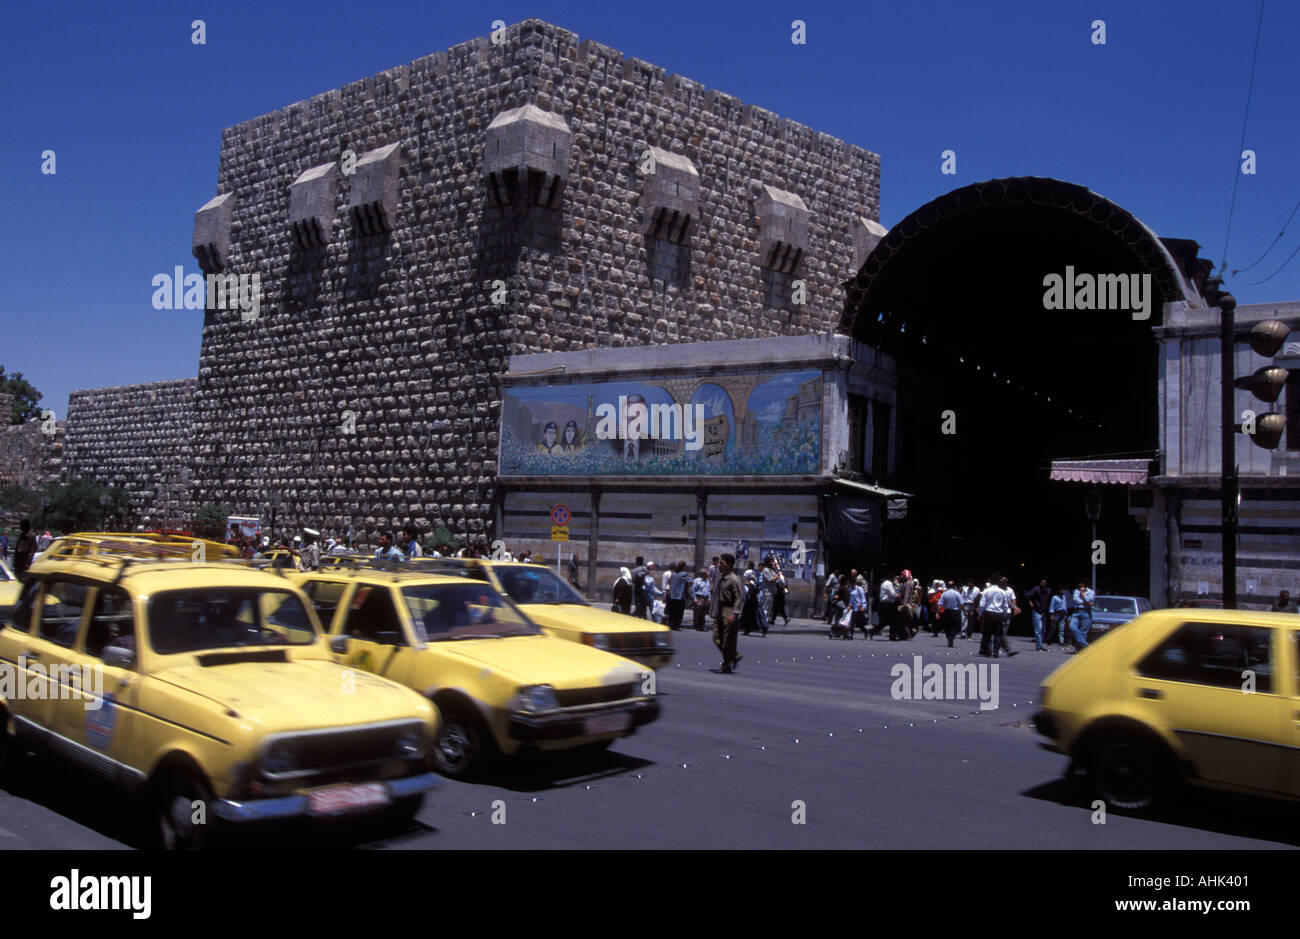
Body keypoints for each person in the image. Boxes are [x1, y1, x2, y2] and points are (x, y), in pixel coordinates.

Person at [713, 553, 744, 672]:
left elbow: (739, 597)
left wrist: (734, 613)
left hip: (729, 610)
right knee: (716, 637)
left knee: (727, 640)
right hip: (720, 609)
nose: (719, 565)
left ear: (729, 564)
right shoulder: (721, 577)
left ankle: (727, 663)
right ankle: (733, 656)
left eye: (722, 563)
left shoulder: (734, 579)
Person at [1026, 578, 1052, 650]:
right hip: (1037, 611)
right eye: (1042, 582)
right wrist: (1030, 602)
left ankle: (1041, 645)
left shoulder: (1048, 590)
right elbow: (1027, 594)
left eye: (1045, 582)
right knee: (1038, 629)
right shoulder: (1036, 589)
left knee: (1043, 629)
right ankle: (1038, 646)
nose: (1043, 583)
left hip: (1044, 611)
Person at [1069, 580, 1095, 648]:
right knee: (1072, 627)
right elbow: (1075, 599)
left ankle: (1079, 649)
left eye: (1082, 584)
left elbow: (1090, 601)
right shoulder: (1076, 591)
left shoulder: (1091, 592)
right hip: (1076, 611)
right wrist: (1084, 602)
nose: (1080, 586)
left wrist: (1083, 594)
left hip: (1085, 612)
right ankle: (1085, 644)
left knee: (1083, 631)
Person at [740, 569, 766, 637]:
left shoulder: (752, 583)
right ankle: (747, 630)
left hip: (753, 602)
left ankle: (763, 628)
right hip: (750, 602)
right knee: (747, 617)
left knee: (757, 617)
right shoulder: (751, 583)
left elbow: (752, 592)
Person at [938, 580, 963, 647]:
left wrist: (938, 612)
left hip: (947, 611)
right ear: (954, 586)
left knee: (947, 626)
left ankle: (949, 636)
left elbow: (940, 604)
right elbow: (961, 604)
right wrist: (961, 611)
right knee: (957, 625)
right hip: (955, 611)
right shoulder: (957, 593)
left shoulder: (944, 594)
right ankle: (952, 636)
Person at [667, 561, 691, 630]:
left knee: (672, 611)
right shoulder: (685, 574)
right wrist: (686, 586)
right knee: (679, 612)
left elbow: (670, 583)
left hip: (673, 595)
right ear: (684, 567)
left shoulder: (673, 574)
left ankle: (671, 624)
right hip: (680, 596)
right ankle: (677, 625)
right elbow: (691, 582)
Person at [878, 571, 899, 639]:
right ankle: (874, 629)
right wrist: (898, 595)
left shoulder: (884, 583)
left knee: (889, 620)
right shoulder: (889, 583)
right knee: (891, 620)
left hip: (883, 603)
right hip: (887, 604)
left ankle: (892, 635)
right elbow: (893, 594)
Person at [771, 559, 790, 625]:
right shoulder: (773, 572)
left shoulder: (778, 573)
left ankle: (785, 618)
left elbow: (783, 583)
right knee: (775, 607)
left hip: (780, 592)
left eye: (774, 565)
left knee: (779, 607)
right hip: (776, 592)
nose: (773, 566)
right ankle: (773, 619)